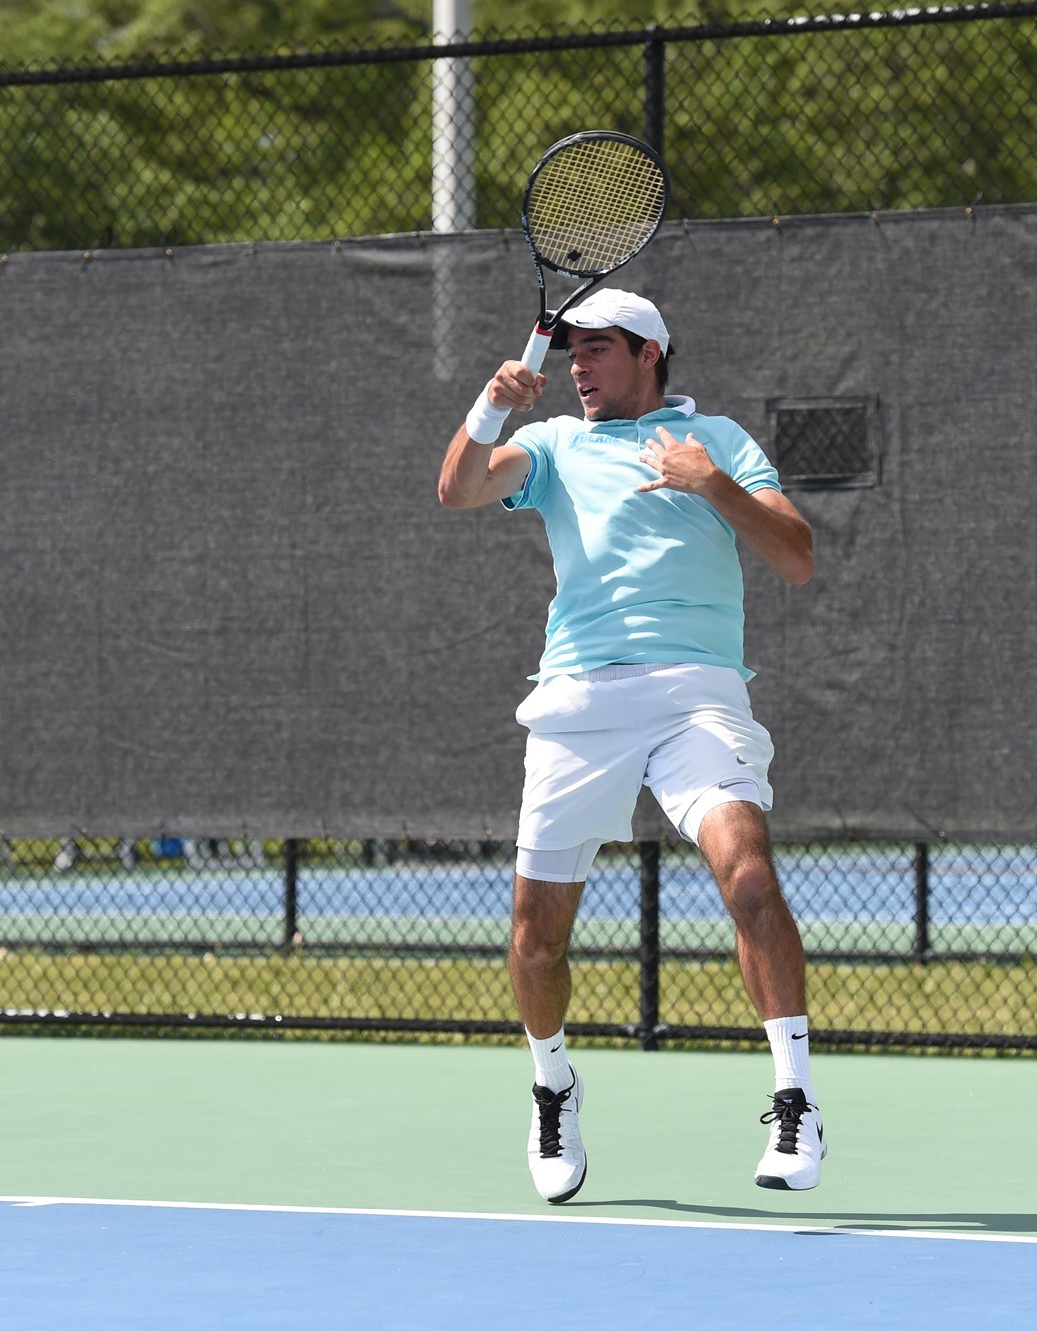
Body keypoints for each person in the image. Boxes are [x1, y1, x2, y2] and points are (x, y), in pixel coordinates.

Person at [436, 288, 825, 1203]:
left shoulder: (719, 440)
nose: (577, 364)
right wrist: (491, 405)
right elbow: (456, 488)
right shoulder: (556, 445)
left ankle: (796, 1097)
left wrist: (713, 484)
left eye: (597, 348)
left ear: (650, 353)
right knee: (538, 938)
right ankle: (551, 1082)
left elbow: (798, 557)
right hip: (577, 699)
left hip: (698, 696)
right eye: (569, 348)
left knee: (752, 879)